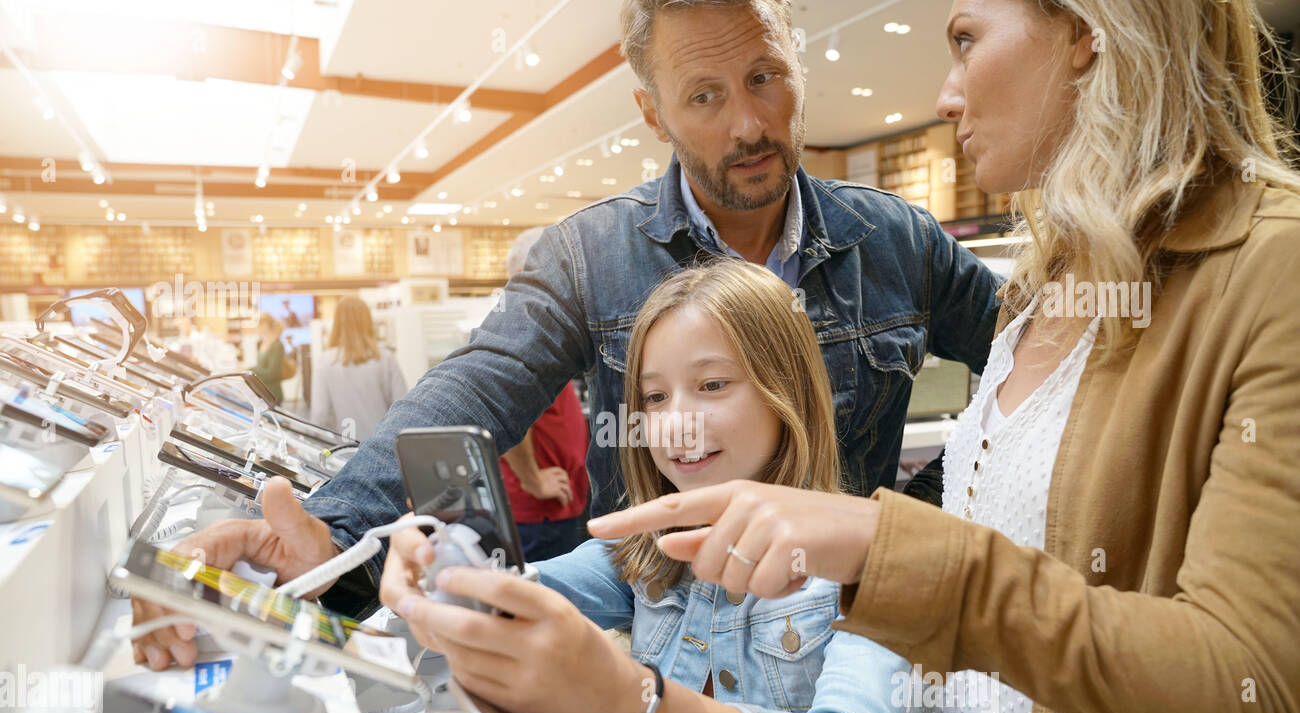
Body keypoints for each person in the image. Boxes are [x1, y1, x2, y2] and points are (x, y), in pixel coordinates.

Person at [589, 0, 1300, 713]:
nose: (946, 94)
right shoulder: (1047, 283)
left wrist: (881, 540)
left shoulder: (1273, 270)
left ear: (1086, 31)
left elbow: (1245, 689)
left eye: (965, 42)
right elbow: (1003, 510)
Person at [130, 0, 1003, 668]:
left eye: (765, 78)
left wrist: (899, 523)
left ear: (796, 69)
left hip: (858, 661)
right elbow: (475, 387)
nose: (747, 123)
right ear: (652, 111)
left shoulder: (898, 241)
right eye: (704, 95)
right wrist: (331, 543)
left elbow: (1034, 374)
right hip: (663, 665)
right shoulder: (592, 255)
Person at [384, 258, 923, 713]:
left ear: (786, 389)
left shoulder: (856, 562)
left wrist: (638, 704)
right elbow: (519, 587)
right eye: (655, 397)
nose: (676, 422)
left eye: (712, 385)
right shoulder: (651, 549)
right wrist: (438, 561)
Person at [498, 227, 590, 562]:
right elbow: (509, 411)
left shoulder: (541, 326)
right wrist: (533, 479)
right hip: (537, 510)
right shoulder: (521, 331)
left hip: (552, 507)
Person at [310, 296, 408, 442]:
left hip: (345, 448)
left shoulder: (326, 361)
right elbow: (402, 408)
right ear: (367, 321)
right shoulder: (385, 358)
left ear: (337, 323)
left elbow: (320, 415)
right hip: (382, 446)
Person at [249, 312, 288, 404]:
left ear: (265, 325)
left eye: (258, 325)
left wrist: (250, 370)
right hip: (262, 393)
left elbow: (273, 374)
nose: (256, 328)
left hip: (272, 394)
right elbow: (261, 367)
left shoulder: (277, 345)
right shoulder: (263, 343)